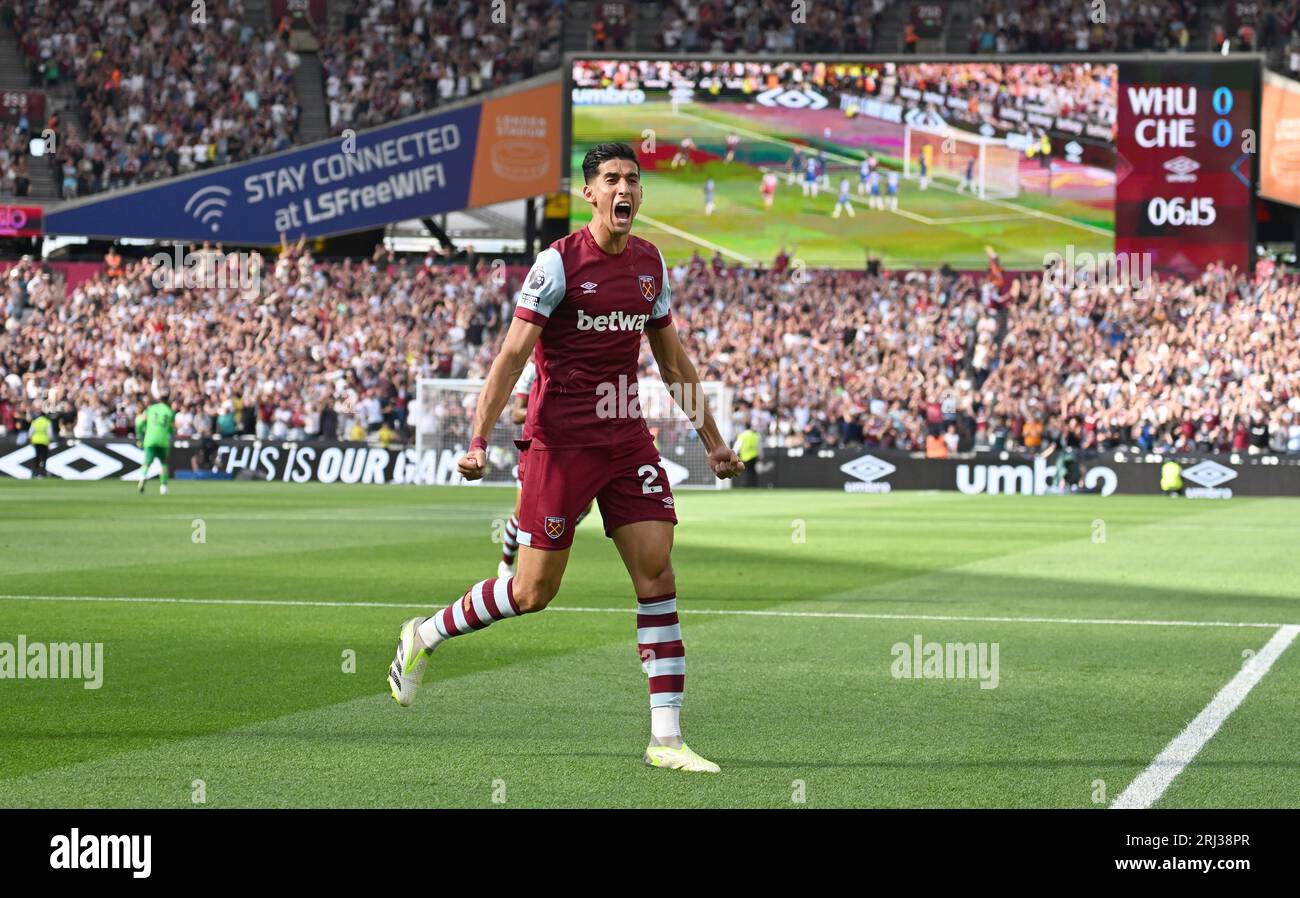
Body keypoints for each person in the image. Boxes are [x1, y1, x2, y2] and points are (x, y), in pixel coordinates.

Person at [389, 142, 744, 773]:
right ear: (590, 193)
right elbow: (510, 358)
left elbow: (672, 360)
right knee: (530, 594)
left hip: (625, 438)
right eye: (611, 179)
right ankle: (425, 634)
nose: (624, 189)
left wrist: (713, 438)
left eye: (632, 179)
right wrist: (478, 442)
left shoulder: (649, 264)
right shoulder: (557, 265)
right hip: (558, 445)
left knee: (657, 573)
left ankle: (666, 740)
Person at [496, 359, 592, 580]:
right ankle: (506, 563)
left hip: (572, 447)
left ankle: (552, 537)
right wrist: (545, 405)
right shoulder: (531, 369)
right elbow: (516, 414)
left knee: (586, 506)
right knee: (522, 513)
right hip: (537, 449)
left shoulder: (573, 364)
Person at [136, 392, 175, 495]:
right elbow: (172, 429)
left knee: (147, 462)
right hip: (163, 441)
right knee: (164, 464)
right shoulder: (169, 412)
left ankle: (143, 476)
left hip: (149, 440)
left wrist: (140, 436)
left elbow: (140, 423)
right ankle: (163, 486)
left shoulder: (151, 409)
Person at [732, 423, 760, 487]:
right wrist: (761, 456)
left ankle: (745, 485)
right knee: (753, 471)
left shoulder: (742, 435)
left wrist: (733, 455)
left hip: (745, 456)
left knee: (746, 471)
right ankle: (754, 485)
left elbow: (737, 446)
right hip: (754, 456)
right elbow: (759, 446)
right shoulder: (755, 435)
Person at [28, 407, 52, 477]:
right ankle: (43, 471)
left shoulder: (35, 421)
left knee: (37, 456)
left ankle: (35, 471)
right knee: (44, 457)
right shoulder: (47, 422)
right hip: (44, 441)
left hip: (36, 441)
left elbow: (30, 433)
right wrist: (49, 441)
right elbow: (50, 433)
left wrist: (31, 440)